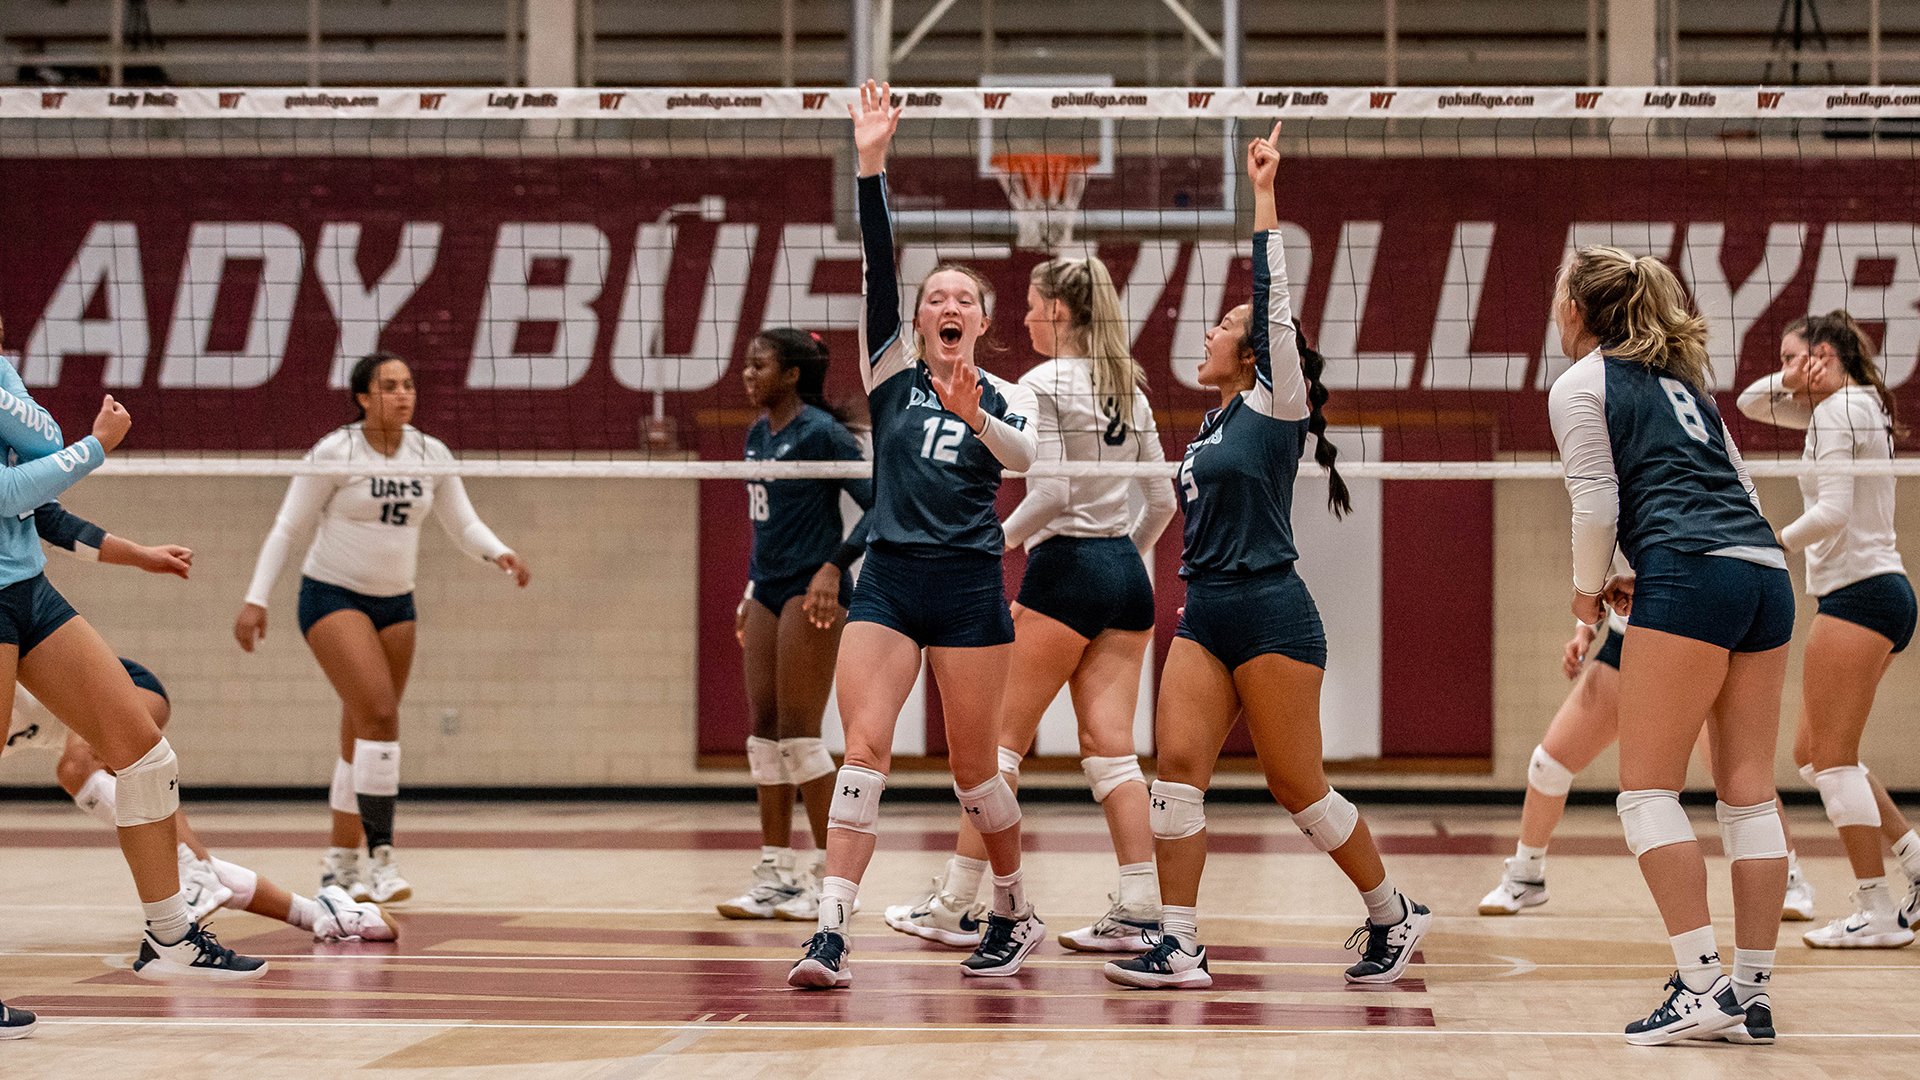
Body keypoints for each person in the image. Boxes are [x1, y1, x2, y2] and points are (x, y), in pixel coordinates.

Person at [1104, 122, 1431, 991]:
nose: (1206, 332)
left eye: (1222, 325)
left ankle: (1393, 914)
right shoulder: (1208, 426)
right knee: (1174, 777)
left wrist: (1263, 195)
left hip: (1274, 612)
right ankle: (1180, 942)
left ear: (1253, 354)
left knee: (1299, 789)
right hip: (1204, 609)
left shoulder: (1274, 402)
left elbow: (1272, 296)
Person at [787, 80, 1041, 988]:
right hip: (890, 580)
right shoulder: (892, 368)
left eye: (960, 298)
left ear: (981, 320)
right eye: (934, 295)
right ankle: (828, 931)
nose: (944, 304)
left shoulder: (1011, 396)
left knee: (976, 774)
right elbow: (877, 260)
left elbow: (1024, 458)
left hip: (970, 586)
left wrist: (976, 415)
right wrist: (871, 162)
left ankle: (1012, 906)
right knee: (863, 752)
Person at [884, 255, 1177, 953]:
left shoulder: (1041, 382)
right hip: (1125, 576)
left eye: (1032, 304)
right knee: (1115, 757)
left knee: (995, 750)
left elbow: (1045, 492)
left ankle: (957, 903)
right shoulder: (1127, 387)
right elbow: (1162, 502)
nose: (1021, 317)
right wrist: (1117, 561)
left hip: (1066, 566)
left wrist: (994, 547)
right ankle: (1141, 908)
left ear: (1061, 312)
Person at [1548, 244, 1790, 1045]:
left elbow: (1596, 505)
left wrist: (1589, 594)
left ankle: (1699, 983)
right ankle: (1749, 994)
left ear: (1577, 311)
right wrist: (1642, 571)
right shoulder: (1687, 386)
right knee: (1749, 789)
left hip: (1690, 574)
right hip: (1762, 574)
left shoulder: (1582, 385)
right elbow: (1740, 492)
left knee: (1647, 790)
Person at [7, 500, 391, 943]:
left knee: (77, 768)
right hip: (66, 728)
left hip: (129, 688)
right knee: (171, 854)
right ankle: (318, 912)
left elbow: (47, 518)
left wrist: (140, 554)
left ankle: (201, 879)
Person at [0, 345, 263, 988]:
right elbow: (11, 492)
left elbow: (45, 488)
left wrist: (135, 552)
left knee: (144, 754)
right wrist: (96, 447)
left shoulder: (2, 376)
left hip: (25, 588)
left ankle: (170, 936)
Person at [235, 352, 531, 904]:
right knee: (381, 714)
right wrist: (256, 599)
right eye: (389, 386)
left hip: (397, 605)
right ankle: (383, 859)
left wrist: (498, 552)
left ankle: (340, 866)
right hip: (331, 595)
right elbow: (287, 527)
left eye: (409, 385)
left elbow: (462, 524)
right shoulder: (335, 452)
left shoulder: (430, 453)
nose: (403, 395)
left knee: (362, 734)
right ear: (363, 398)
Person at [1739, 311, 1920, 948]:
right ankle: (1914, 862)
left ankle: (1876, 911)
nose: (1784, 374)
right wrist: (1801, 374)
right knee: (1815, 753)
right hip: (1882, 594)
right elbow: (1750, 401)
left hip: (1859, 595)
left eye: (1792, 358)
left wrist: (1771, 543)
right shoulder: (1852, 404)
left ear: (1823, 355)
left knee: (1832, 760)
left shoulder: (1839, 412)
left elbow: (1834, 511)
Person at [1477, 591, 1818, 923]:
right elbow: (1597, 580)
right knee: (1549, 764)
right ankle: (1526, 875)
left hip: (1692, 640)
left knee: (1737, 773)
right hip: (1627, 642)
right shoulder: (1602, 533)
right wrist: (1584, 631)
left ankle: (1789, 882)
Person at [720, 328, 872, 921]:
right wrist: (751, 587)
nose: (747, 374)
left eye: (759, 365)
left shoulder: (822, 433)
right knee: (764, 735)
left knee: (801, 736)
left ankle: (831, 880)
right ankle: (775, 872)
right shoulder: (759, 434)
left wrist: (835, 568)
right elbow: (765, 530)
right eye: (747, 364)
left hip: (814, 590)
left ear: (791, 374)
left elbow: (879, 503)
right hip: (768, 589)